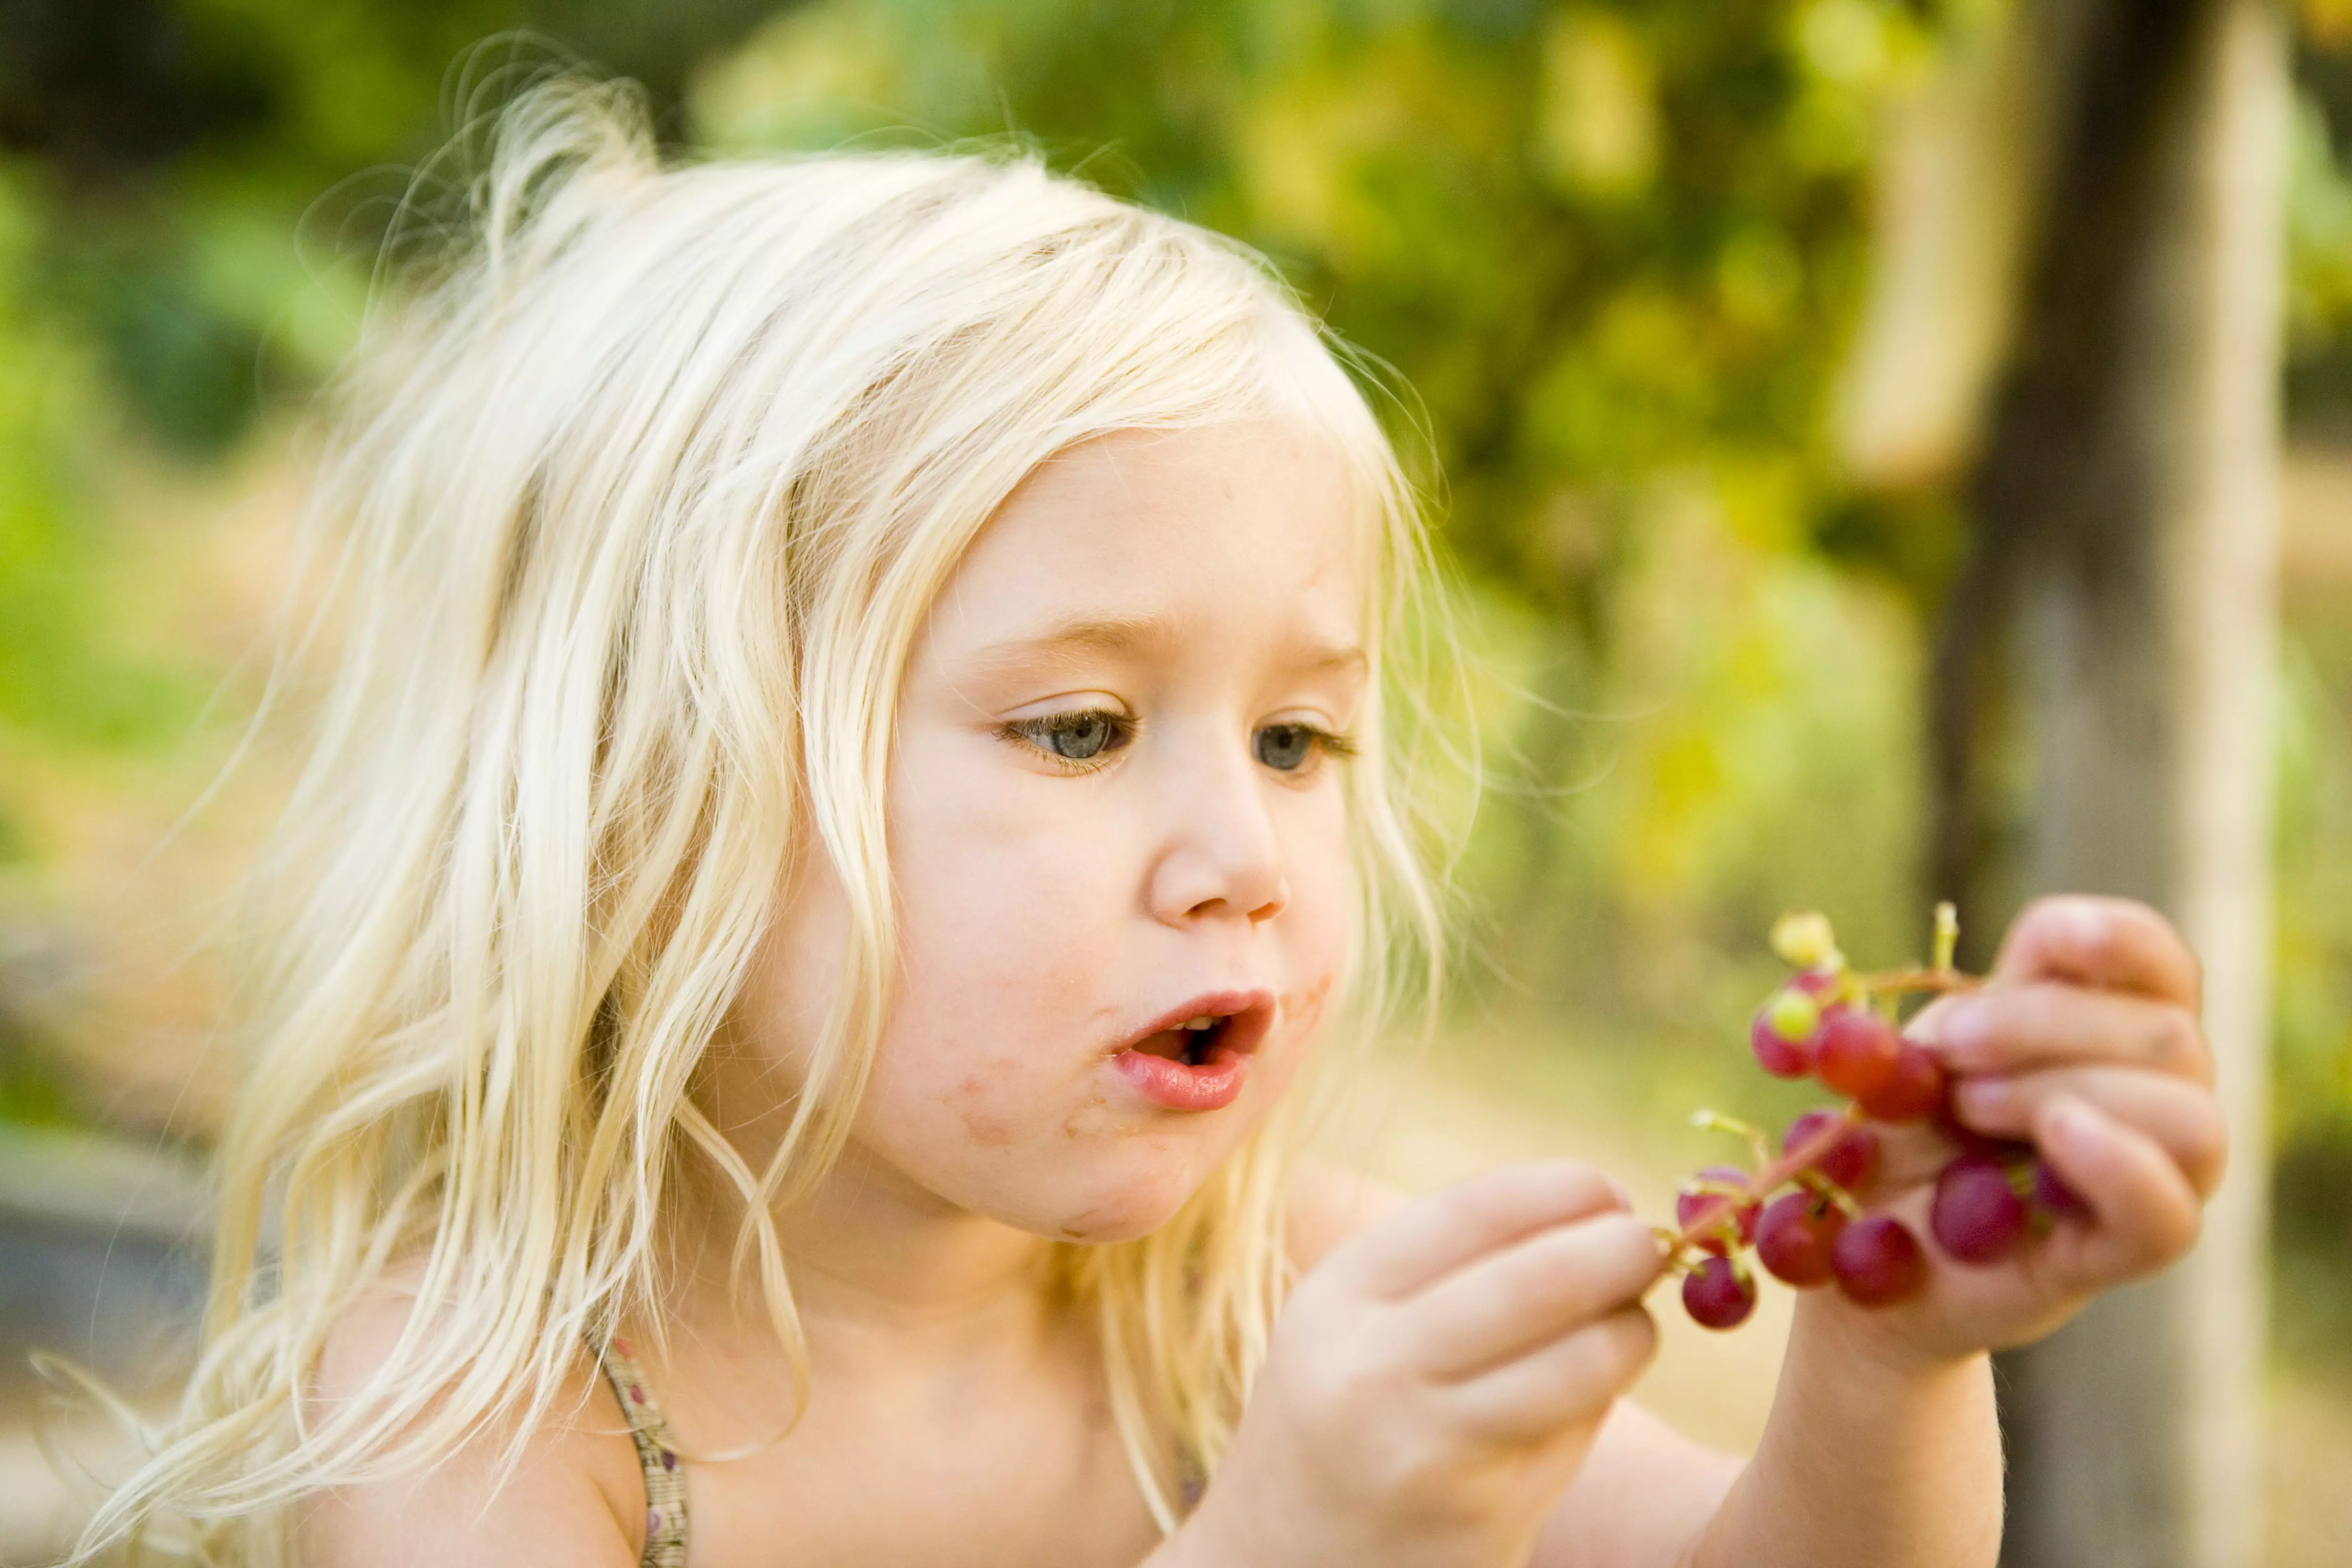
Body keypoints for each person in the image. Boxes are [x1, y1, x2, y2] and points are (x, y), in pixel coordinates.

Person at [82, 78, 2226, 1568]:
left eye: (1299, 742)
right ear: (650, 797)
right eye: (1088, 727)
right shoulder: (480, 1419)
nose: (1243, 854)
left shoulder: (1249, 1299)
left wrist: (1882, 1347)